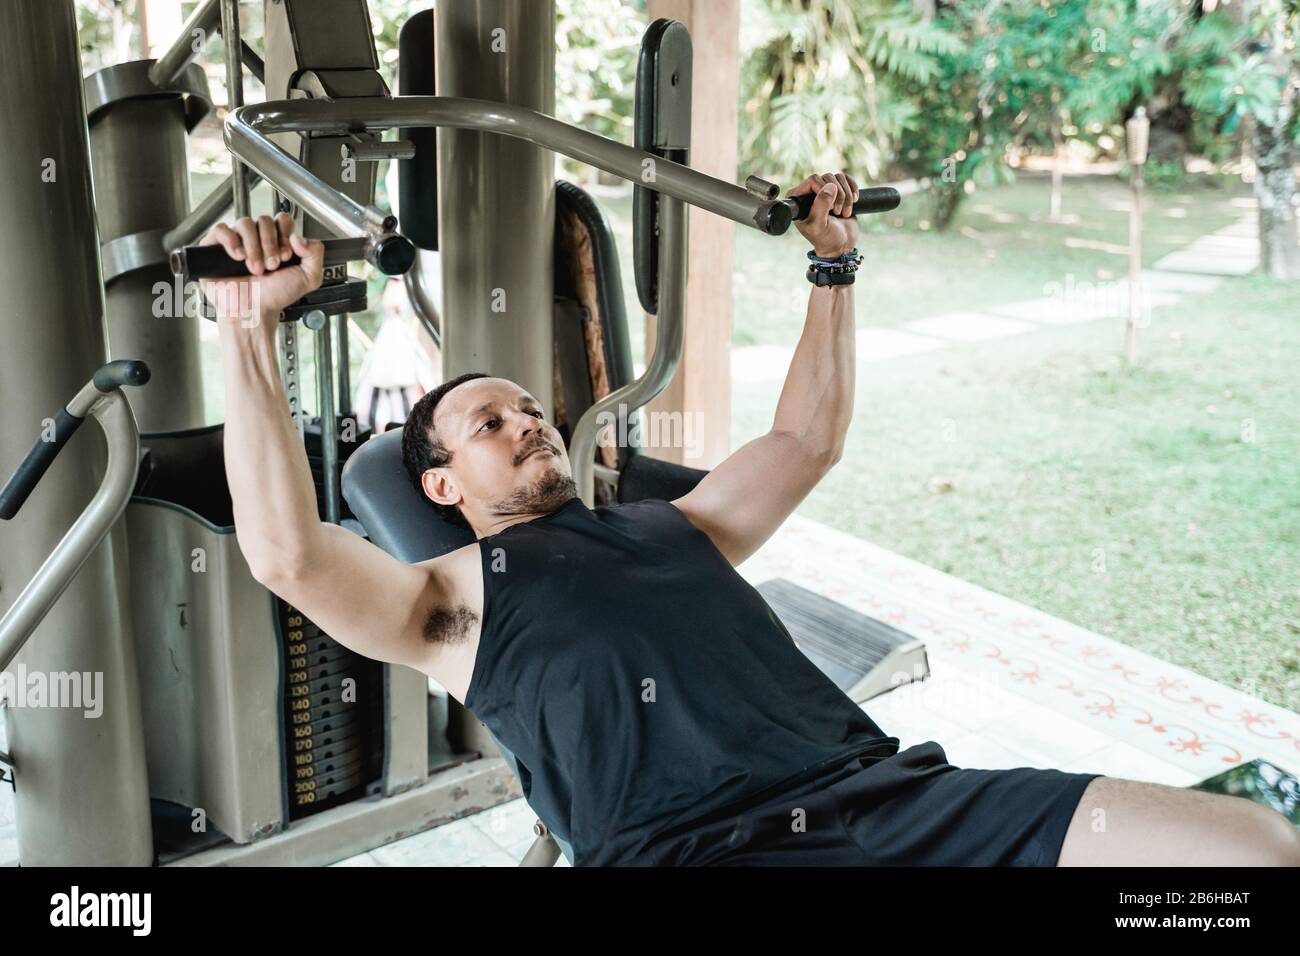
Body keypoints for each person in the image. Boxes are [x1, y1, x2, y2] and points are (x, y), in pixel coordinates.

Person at [201, 174, 1300, 867]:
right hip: (696, 851)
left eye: (532, 406)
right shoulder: (448, 603)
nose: (529, 422)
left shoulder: (673, 524)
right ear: (441, 486)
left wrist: (832, 263)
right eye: (490, 422)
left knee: (1248, 849)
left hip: (896, 803)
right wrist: (246, 328)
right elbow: (287, 553)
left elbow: (806, 442)